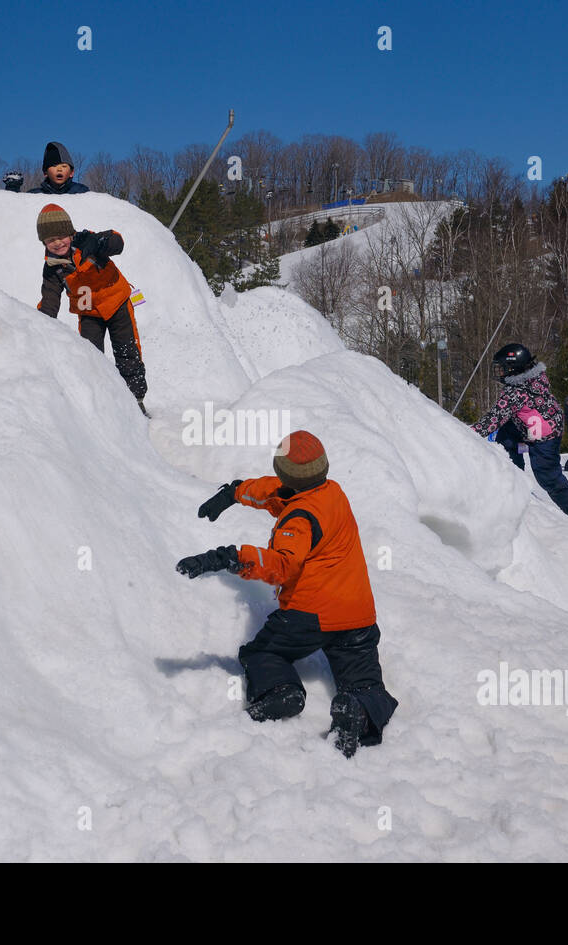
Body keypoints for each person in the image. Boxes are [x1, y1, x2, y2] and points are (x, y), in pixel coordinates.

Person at [175, 431, 399, 758]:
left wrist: (231, 557)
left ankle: (282, 691)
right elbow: (278, 493)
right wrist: (236, 492)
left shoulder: (297, 519)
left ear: (287, 475)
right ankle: (357, 708)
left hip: (308, 616)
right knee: (365, 684)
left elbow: (282, 566)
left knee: (263, 654)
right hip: (357, 615)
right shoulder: (332, 492)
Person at [35, 204, 148, 414]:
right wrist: (41, 321)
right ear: (43, 242)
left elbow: (117, 242)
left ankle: (136, 400)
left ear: (70, 232)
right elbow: (49, 298)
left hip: (117, 303)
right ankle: (100, 403)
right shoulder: (52, 266)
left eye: (61, 236)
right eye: (51, 240)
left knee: (127, 351)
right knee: (90, 357)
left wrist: (101, 241)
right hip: (88, 312)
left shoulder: (87, 241)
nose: (58, 243)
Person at [471, 344, 568, 527]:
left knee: (547, 476)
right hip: (534, 427)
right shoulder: (535, 379)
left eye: (502, 367)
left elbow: (492, 420)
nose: (499, 372)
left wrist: (466, 434)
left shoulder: (515, 393)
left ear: (514, 368)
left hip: (545, 438)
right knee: (506, 439)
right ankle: (512, 478)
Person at [26, 141, 91, 195]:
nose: (59, 169)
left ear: (71, 173)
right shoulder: (35, 195)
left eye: (64, 166)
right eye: (54, 166)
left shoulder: (81, 192)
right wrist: (15, 190)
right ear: (45, 173)